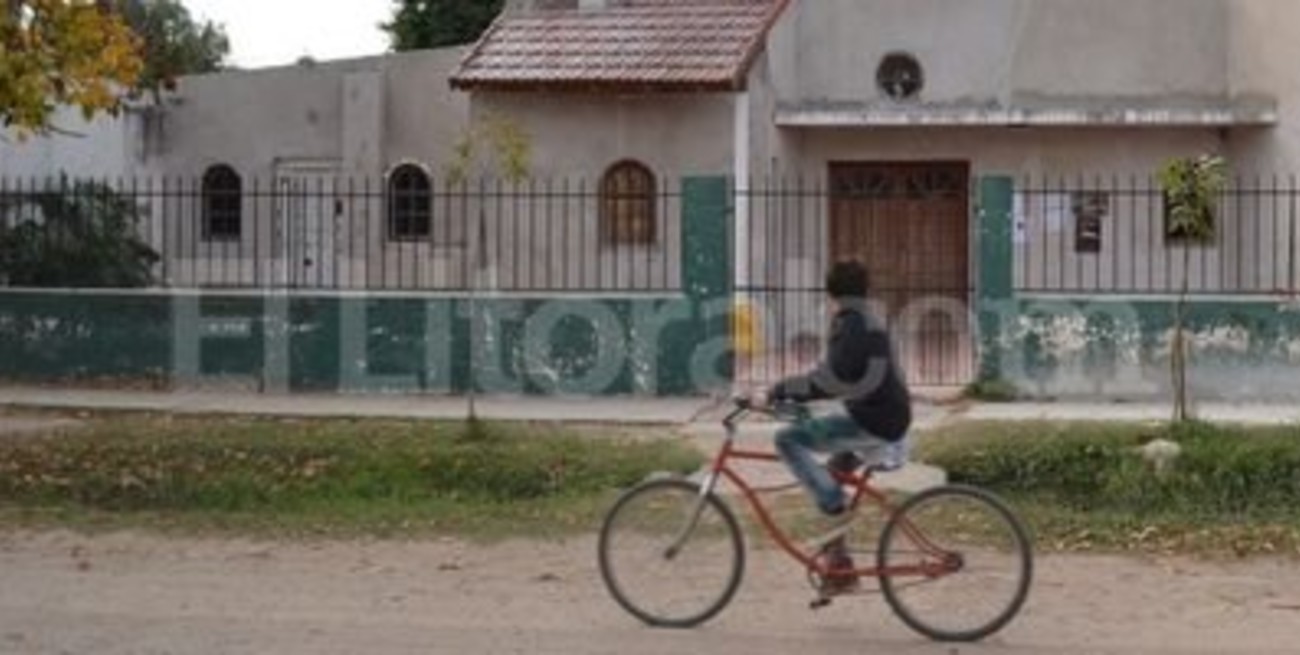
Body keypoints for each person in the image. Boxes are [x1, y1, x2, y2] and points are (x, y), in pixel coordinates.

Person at [764, 261, 913, 595]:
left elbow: (832, 381)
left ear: (831, 294)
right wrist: (794, 392)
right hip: (883, 414)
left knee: (788, 440)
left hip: (874, 421)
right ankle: (840, 568)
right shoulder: (860, 320)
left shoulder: (853, 325)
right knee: (832, 468)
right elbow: (833, 374)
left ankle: (834, 504)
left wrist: (782, 389)